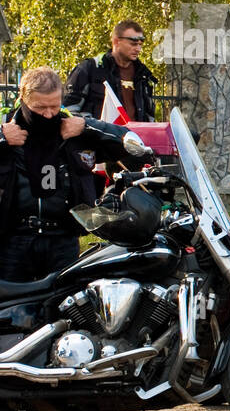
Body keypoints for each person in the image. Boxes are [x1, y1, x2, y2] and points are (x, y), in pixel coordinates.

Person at [0, 68, 135, 281]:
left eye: (54, 106)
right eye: (40, 107)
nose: (48, 114)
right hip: (15, 238)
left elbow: (129, 143)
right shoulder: (7, 129)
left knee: (65, 307)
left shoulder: (75, 129)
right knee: (10, 308)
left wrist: (87, 127)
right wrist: (1, 137)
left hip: (63, 239)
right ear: (23, 99)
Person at [64, 19, 158, 122]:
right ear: (116, 42)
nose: (138, 49)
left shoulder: (143, 75)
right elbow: (69, 111)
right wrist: (89, 129)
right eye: (133, 44)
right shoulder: (90, 68)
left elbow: (149, 117)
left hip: (134, 137)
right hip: (98, 136)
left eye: (140, 44)